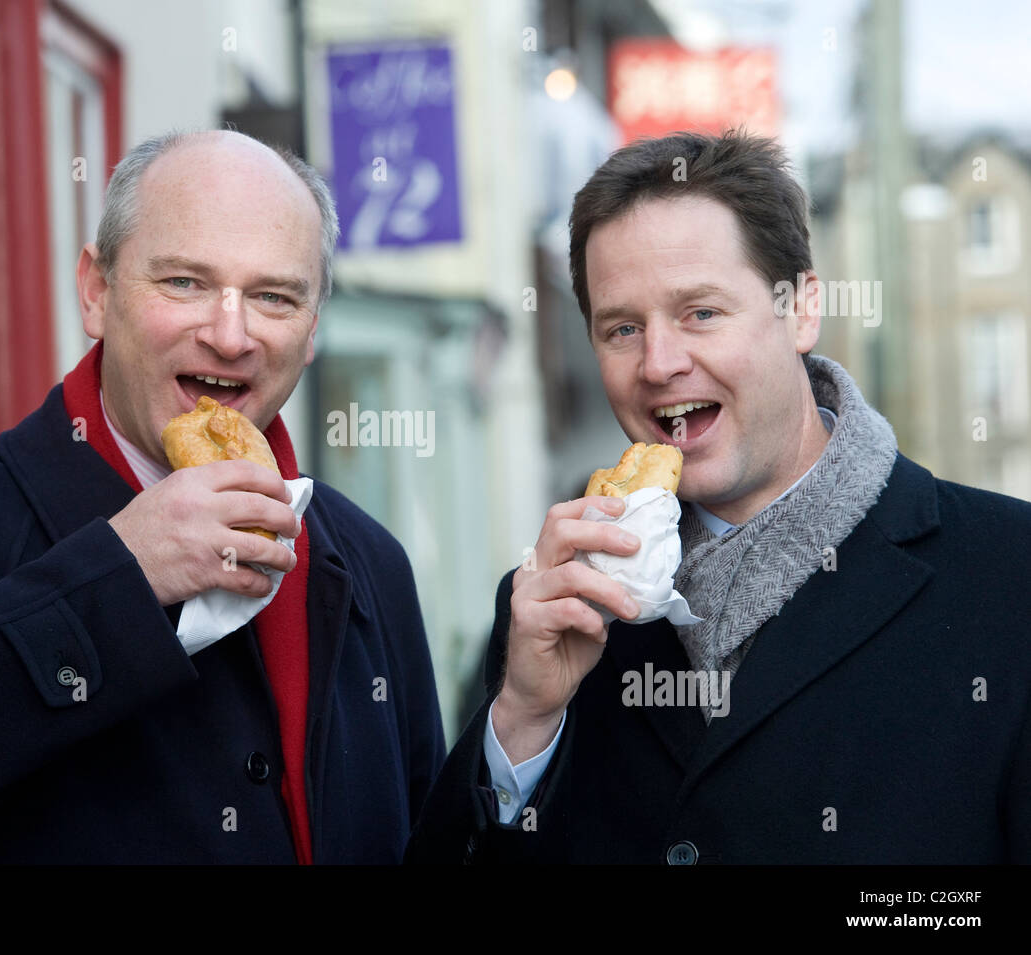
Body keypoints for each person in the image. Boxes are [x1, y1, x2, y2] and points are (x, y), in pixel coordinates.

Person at [0, 130, 445, 864]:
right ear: (96, 291)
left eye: (273, 296)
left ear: (310, 331)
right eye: (184, 282)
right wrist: (120, 575)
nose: (229, 333)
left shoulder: (371, 560)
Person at [406, 130, 1031, 864]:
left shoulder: (1007, 575)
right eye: (623, 328)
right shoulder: (553, 602)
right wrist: (523, 721)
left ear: (801, 309)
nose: (660, 363)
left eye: (701, 312)